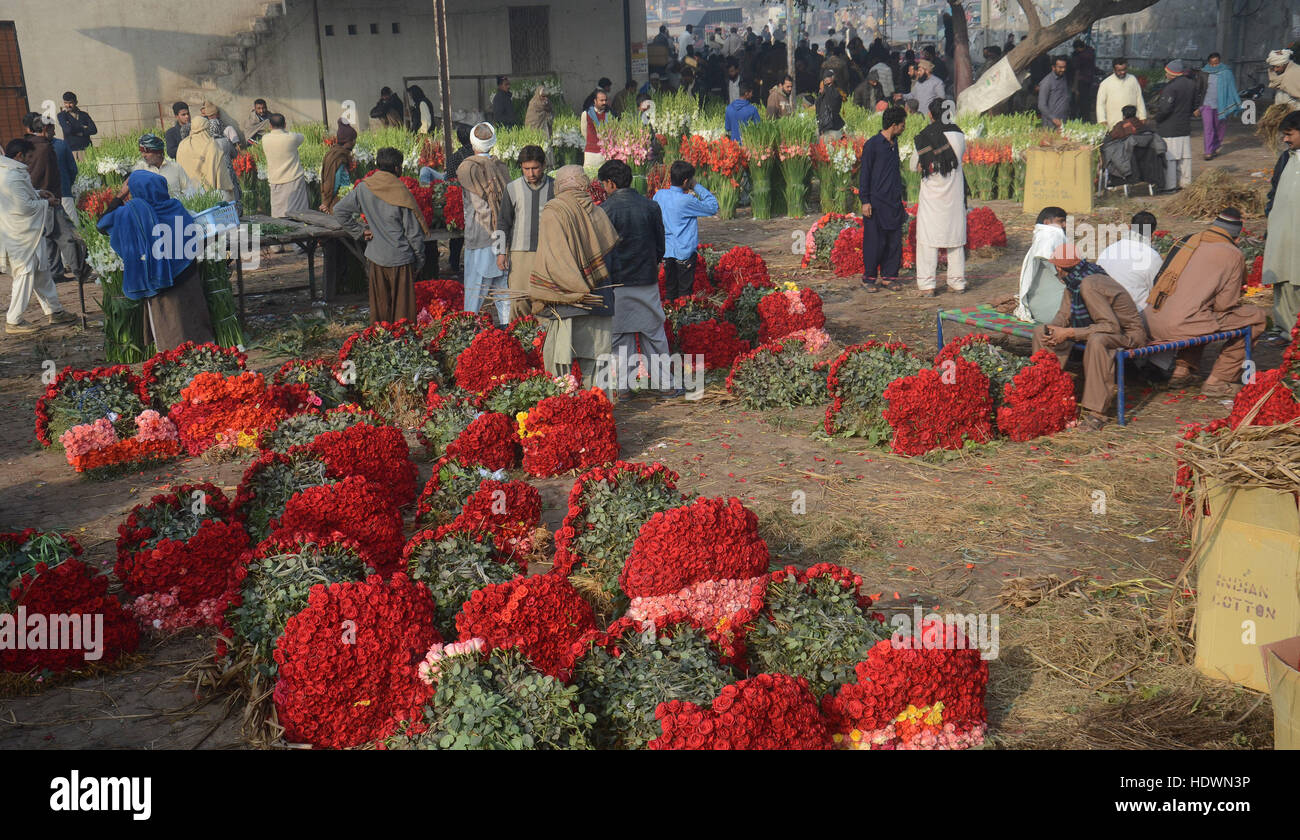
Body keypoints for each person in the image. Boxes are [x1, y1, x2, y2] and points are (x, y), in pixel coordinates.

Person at [1144, 209, 1266, 396]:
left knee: (1199, 311)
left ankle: (1182, 370)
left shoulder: (1186, 240)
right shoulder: (1232, 254)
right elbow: (1225, 305)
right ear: (1236, 237)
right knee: (1256, 317)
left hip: (1150, 318)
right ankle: (1218, 380)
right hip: (1179, 325)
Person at [95, 170, 216, 350]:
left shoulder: (132, 213)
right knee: (193, 319)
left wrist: (120, 195)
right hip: (187, 274)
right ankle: (206, 355)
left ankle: (177, 362)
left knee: (170, 326)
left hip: (161, 285)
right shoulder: (175, 206)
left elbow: (102, 224)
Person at [1032, 244, 1148, 430]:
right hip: (1099, 329)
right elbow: (1062, 317)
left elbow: (1110, 327)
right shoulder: (1073, 282)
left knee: (1097, 340)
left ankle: (1097, 413)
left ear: (1059, 268)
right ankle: (1043, 393)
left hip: (1128, 334)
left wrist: (1069, 333)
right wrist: (1053, 331)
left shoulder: (1089, 284)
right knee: (1041, 331)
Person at [529, 165, 620, 392]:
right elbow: (612, 261)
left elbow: (552, 262)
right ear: (585, 184)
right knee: (598, 369)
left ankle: (565, 420)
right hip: (600, 300)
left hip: (565, 305)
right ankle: (599, 417)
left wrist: (571, 289)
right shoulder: (599, 212)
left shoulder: (553, 210)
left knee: (560, 372)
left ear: (559, 185)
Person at [597, 159, 672, 399]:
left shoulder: (604, 210)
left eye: (604, 184)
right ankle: (665, 385)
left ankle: (624, 388)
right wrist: (653, 261)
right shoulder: (650, 206)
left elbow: (601, 250)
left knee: (620, 336)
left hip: (617, 282)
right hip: (646, 278)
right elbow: (661, 243)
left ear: (610, 183)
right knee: (654, 332)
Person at [333, 146, 427, 324]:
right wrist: (419, 259)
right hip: (400, 260)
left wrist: (360, 231)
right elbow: (413, 233)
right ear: (397, 168)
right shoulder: (401, 192)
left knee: (381, 309)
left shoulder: (364, 188)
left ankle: (382, 341)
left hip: (376, 258)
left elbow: (339, 211)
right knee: (403, 313)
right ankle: (402, 343)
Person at [1, 138, 73, 335]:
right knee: (25, 274)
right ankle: (14, 320)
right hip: (21, 235)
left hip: (25, 233)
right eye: (28, 156)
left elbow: (23, 195)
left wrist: (38, 192)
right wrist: (47, 204)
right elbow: (23, 207)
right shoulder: (12, 176)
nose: (30, 160)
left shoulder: (7, 170)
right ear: (18, 156)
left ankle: (55, 311)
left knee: (42, 272)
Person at [910, 99, 966, 296]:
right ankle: (957, 282)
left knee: (927, 240)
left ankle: (927, 285)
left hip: (932, 196)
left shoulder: (926, 136)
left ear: (931, 115)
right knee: (955, 239)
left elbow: (914, 165)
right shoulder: (959, 134)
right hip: (954, 194)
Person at [456, 123, 511, 324]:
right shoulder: (501, 167)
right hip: (503, 236)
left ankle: (468, 333)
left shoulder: (468, 168)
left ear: (472, 143)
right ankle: (508, 332)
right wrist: (502, 237)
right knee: (503, 290)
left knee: (474, 291)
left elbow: (481, 210)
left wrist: (495, 234)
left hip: (481, 236)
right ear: (493, 142)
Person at [498, 145, 554, 319]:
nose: (531, 173)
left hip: (547, 253)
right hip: (519, 253)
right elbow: (502, 222)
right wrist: (500, 252)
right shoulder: (512, 188)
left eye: (535, 168)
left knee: (545, 298)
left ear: (544, 165)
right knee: (519, 299)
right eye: (526, 169)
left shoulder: (555, 187)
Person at [1261, 111, 1300, 344]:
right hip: (1283, 230)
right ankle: (1286, 330)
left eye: (1289, 134)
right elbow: (1274, 191)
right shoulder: (1286, 158)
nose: (1285, 140)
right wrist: (1271, 218)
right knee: (1283, 279)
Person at [859, 106, 907, 293]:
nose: (904, 128)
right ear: (894, 125)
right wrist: (865, 200)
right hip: (876, 203)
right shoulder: (873, 144)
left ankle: (889, 277)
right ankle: (869, 279)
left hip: (893, 202)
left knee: (894, 242)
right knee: (874, 242)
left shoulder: (894, 145)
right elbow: (865, 175)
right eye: (902, 125)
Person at [653, 160, 717, 301]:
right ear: (686, 181)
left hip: (667, 252)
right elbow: (712, 206)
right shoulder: (687, 200)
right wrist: (696, 186)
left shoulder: (659, 195)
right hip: (684, 253)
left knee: (670, 291)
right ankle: (683, 320)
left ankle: (670, 319)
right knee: (684, 294)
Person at [1014, 206, 1069, 320]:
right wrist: (1059, 274)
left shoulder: (1045, 235)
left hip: (1042, 305)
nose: (1064, 225)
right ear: (1047, 222)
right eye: (1060, 221)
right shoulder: (1048, 234)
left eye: (1065, 222)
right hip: (1050, 313)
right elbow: (1044, 255)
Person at [1154, 60, 1196, 192]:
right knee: (1185, 157)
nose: (1166, 75)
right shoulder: (1191, 84)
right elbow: (1195, 105)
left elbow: (1165, 109)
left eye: (1167, 72)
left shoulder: (1171, 87)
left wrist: (1157, 118)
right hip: (1184, 125)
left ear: (1172, 73)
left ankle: (1170, 185)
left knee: (1171, 158)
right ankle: (1186, 184)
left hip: (1170, 127)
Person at [177, 114, 237, 204]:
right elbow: (221, 174)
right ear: (206, 128)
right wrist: (230, 194)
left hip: (187, 196)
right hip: (208, 197)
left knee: (182, 218)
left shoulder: (182, 145)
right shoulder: (211, 145)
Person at [260, 114, 308, 218]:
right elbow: (302, 137)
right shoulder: (292, 137)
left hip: (275, 180)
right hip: (294, 178)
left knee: (278, 213)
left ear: (270, 126)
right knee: (299, 213)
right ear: (285, 124)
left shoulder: (265, 139)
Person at [1194, 53, 1241, 161]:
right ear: (1209, 63)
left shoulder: (1227, 72)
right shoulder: (1203, 73)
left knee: (1220, 128)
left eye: (1216, 63)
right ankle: (1208, 152)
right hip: (1207, 105)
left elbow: (1231, 89)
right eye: (1212, 63)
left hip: (1221, 106)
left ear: (1220, 61)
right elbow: (1198, 90)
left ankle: (1215, 147)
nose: (1214, 66)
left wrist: (1233, 103)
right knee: (1208, 128)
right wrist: (1196, 107)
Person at [132, 133, 193, 198]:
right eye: (142, 152)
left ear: (158, 153)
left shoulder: (176, 168)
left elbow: (189, 191)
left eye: (147, 152)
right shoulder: (140, 170)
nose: (143, 155)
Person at [1096, 59, 1146, 128]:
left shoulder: (1132, 79)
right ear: (1114, 70)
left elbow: (1139, 98)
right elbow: (1100, 104)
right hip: (1113, 122)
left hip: (1132, 121)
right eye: (1119, 70)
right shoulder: (1105, 83)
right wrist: (1102, 120)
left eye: (1124, 69)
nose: (1122, 72)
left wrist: (1142, 116)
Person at [44, 121, 78, 223]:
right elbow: (73, 169)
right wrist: (68, 182)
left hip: (43, 196)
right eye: (52, 130)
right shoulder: (61, 145)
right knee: (73, 224)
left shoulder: (31, 147)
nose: (54, 133)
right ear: (45, 129)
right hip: (64, 191)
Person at [320, 120, 356, 213]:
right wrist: (326, 202)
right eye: (353, 140)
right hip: (338, 200)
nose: (354, 142)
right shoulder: (339, 157)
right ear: (347, 141)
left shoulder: (334, 153)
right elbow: (334, 181)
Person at [56, 92, 97, 162]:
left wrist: (81, 132)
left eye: (70, 103)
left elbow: (93, 130)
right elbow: (67, 130)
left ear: (76, 102)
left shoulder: (84, 115)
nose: (68, 105)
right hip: (72, 151)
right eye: (65, 103)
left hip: (87, 149)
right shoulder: (62, 116)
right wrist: (83, 127)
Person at [581, 89, 613, 168]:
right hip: (591, 153)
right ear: (595, 101)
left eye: (605, 100)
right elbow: (584, 132)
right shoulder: (586, 114)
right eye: (601, 100)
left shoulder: (609, 114)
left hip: (606, 153)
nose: (604, 103)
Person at [524, 86, 555, 166]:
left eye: (546, 96)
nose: (545, 98)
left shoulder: (547, 103)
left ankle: (548, 164)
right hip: (535, 129)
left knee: (546, 146)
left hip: (544, 128)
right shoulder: (533, 103)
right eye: (542, 96)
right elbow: (531, 119)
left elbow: (550, 112)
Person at [1038, 56, 1070, 131]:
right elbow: (1041, 105)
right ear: (1053, 67)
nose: (1063, 69)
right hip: (1051, 124)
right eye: (1060, 67)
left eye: (1064, 67)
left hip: (1063, 121)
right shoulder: (1047, 82)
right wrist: (1054, 119)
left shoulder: (1063, 77)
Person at [816, 68, 845, 140]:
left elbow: (835, 106)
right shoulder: (827, 92)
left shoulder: (832, 91)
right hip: (828, 126)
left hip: (830, 126)